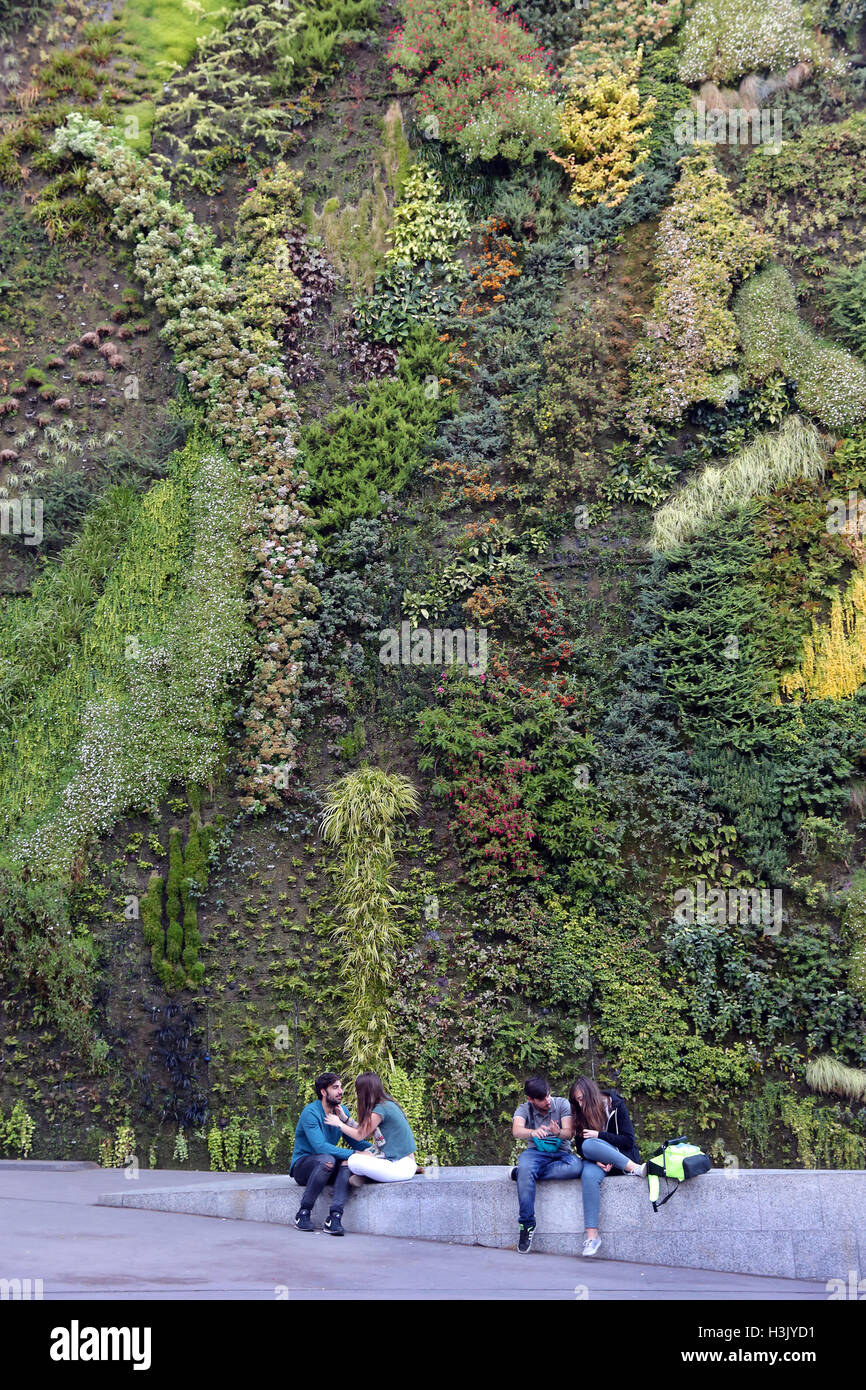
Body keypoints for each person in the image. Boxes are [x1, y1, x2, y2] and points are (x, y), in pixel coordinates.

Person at [568, 1075, 647, 1257]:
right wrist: (597, 1158)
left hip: (621, 1159)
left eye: (581, 1099)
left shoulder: (615, 1106)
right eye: (576, 1101)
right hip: (599, 1162)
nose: (579, 1104)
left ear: (590, 1094)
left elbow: (628, 1140)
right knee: (587, 1174)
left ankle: (633, 1167)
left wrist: (599, 1135)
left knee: (591, 1143)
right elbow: (580, 1146)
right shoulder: (580, 1113)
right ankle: (592, 1236)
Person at [289, 1071, 373, 1235]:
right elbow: (320, 1147)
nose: (340, 1091)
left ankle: (334, 1218)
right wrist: (355, 1153)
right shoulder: (310, 1113)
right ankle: (303, 1213)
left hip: (327, 1166)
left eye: (340, 1087)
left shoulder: (342, 1113)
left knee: (346, 1163)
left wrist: (377, 1152)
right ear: (323, 1091)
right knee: (328, 1159)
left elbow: (356, 1140)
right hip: (303, 1167)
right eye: (335, 1087)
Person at [511, 1076, 581, 1253]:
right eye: (542, 1099)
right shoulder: (524, 1108)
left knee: (576, 1167)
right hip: (535, 1154)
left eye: (548, 1095)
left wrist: (558, 1132)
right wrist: (533, 1132)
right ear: (530, 1099)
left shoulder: (561, 1104)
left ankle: (523, 1174)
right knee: (526, 1165)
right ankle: (527, 1224)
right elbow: (516, 1130)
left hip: (562, 1154)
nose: (547, 1101)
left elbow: (569, 1133)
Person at [324, 1071, 417, 1182]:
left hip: (401, 1166)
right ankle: (366, 1177)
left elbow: (360, 1135)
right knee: (365, 1154)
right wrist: (346, 1120)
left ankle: (366, 1178)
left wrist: (339, 1124)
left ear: (364, 1092)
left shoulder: (380, 1109)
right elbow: (367, 1131)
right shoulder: (386, 1104)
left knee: (354, 1160)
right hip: (403, 1163)